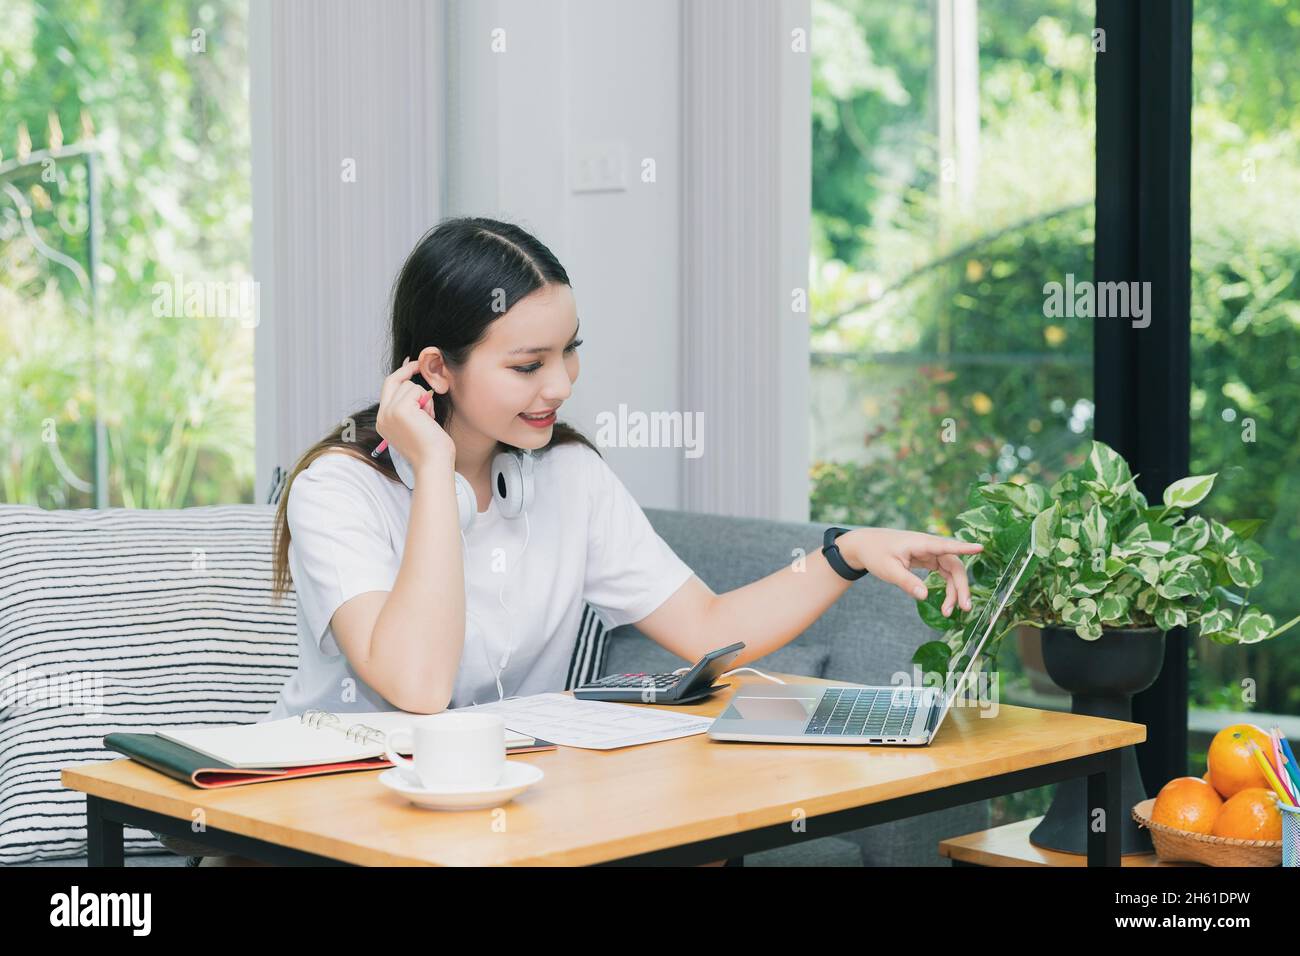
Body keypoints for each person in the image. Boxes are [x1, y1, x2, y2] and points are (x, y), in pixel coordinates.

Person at [171, 216, 979, 867]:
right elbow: (417, 683)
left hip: (502, 816)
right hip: (323, 823)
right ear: (435, 371)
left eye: (570, 351)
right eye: (528, 364)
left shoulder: (569, 477)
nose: (560, 385)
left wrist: (846, 552)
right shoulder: (337, 490)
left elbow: (704, 628)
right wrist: (439, 473)